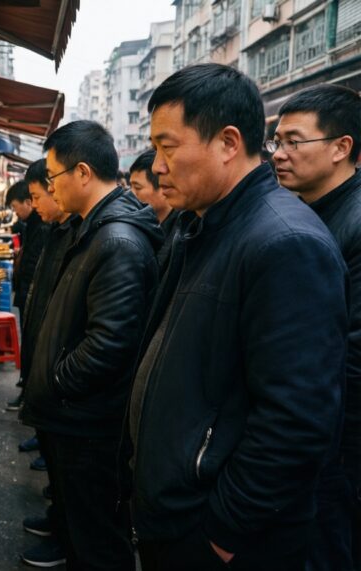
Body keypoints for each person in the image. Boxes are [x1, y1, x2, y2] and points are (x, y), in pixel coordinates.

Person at [132, 64, 347, 571]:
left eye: (168, 147)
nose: (157, 167)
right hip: (176, 510)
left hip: (218, 535)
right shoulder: (201, 226)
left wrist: (224, 531)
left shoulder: (286, 243)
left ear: (228, 142)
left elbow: (296, 419)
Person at [21, 120, 162, 571]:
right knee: (82, 531)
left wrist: (55, 380)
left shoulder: (117, 240)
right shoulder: (91, 228)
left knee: (98, 539)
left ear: (82, 173)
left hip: (89, 422)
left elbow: (109, 343)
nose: (50, 186)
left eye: (53, 176)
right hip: (75, 415)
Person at [271, 84, 361, 571]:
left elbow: (352, 355)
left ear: (340, 148)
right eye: (276, 142)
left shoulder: (353, 221)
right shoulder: (304, 211)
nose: (279, 155)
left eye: (293, 141)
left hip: (335, 448)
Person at [14, 159, 82, 569]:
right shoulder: (62, 230)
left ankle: (68, 540)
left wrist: (53, 378)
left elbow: (108, 338)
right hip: (52, 375)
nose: (47, 199)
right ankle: (60, 526)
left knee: (80, 491)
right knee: (62, 478)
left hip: (72, 396)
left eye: (46, 191)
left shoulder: (108, 238)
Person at [129, 150, 179, 270]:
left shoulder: (182, 234)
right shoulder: (140, 227)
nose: (130, 194)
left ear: (163, 188)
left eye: (137, 187)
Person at [6, 181, 47, 312]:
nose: (15, 212)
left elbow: (34, 264)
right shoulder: (30, 224)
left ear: (27, 202)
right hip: (26, 292)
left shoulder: (42, 226)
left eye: (15, 206)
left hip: (31, 296)